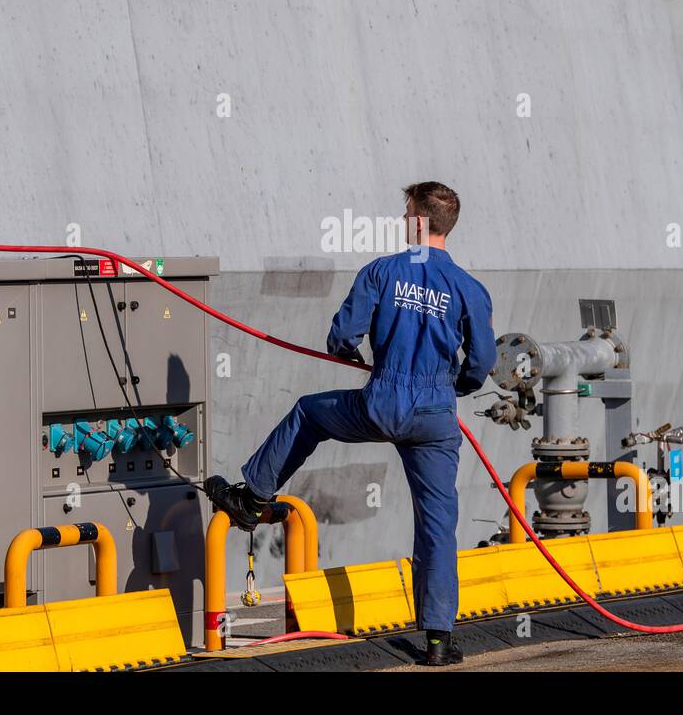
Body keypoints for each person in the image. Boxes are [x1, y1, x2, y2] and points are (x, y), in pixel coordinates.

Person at [205, 181, 497, 666]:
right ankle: (438, 641)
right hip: (434, 417)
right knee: (437, 525)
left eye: (406, 213)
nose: (402, 220)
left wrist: (353, 355)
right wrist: (453, 387)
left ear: (419, 221)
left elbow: (341, 336)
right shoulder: (469, 289)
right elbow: (482, 360)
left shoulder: (382, 271)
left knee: (308, 413)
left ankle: (252, 498)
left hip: (379, 404)